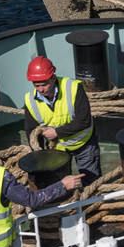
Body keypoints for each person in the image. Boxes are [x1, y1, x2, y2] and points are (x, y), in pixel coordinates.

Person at [22, 56, 102, 186]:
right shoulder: (30, 101)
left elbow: (84, 120)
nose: (41, 89)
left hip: (84, 144)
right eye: (37, 85)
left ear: (53, 78)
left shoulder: (73, 88)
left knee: (91, 182)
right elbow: (31, 131)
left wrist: (57, 132)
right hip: (58, 149)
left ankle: (94, 202)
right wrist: (41, 156)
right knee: (62, 186)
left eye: (44, 84)